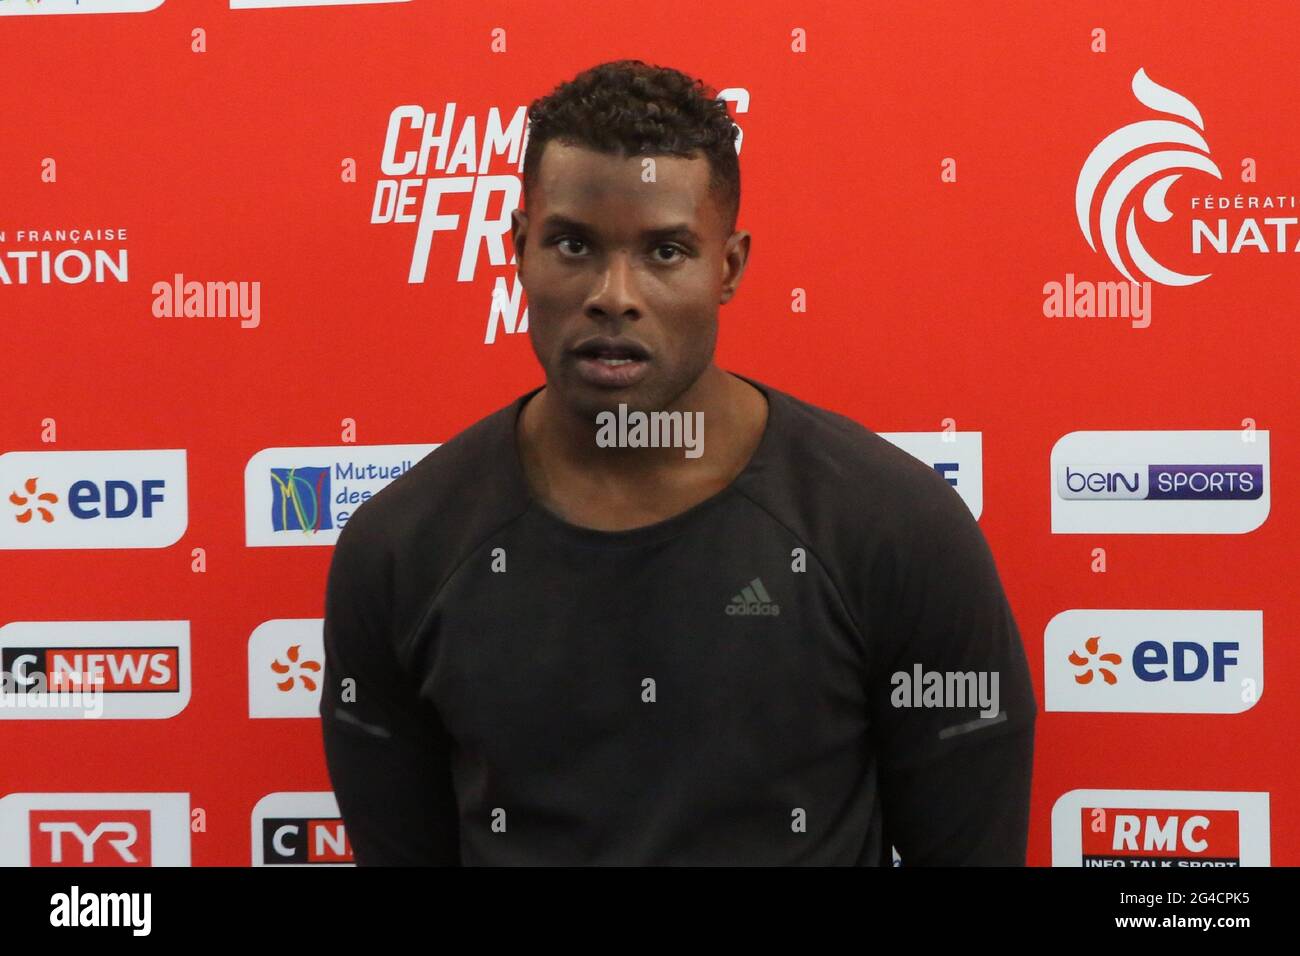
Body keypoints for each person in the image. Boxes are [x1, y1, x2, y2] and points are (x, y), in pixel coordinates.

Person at [319, 59, 1036, 865]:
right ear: (517, 248)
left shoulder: (897, 531)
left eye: (665, 251)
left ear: (727, 267)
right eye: (572, 244)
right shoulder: (401, 550)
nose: (614, 294)